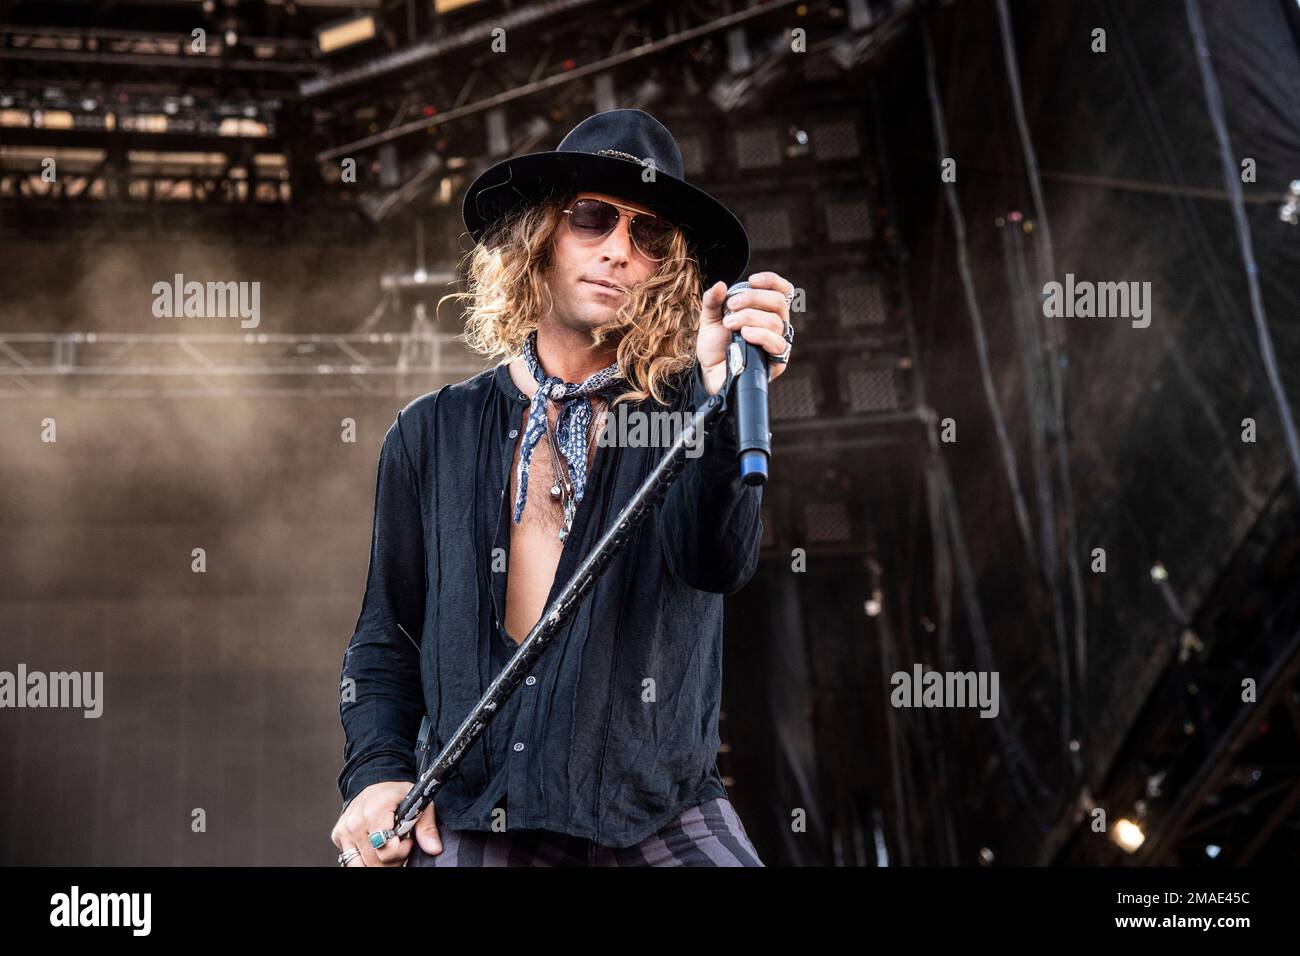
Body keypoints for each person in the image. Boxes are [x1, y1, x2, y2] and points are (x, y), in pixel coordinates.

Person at [330, 108, 795, 867]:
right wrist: (377, 774)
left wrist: (716, 398)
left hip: (654, 813)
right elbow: (386, 638)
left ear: (667, 268)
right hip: (476, 810)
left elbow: (718, 561)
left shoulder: (687, 410)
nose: (618, 250)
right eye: (592, 218)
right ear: (539, 237)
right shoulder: (429, 433)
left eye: (647, 237)